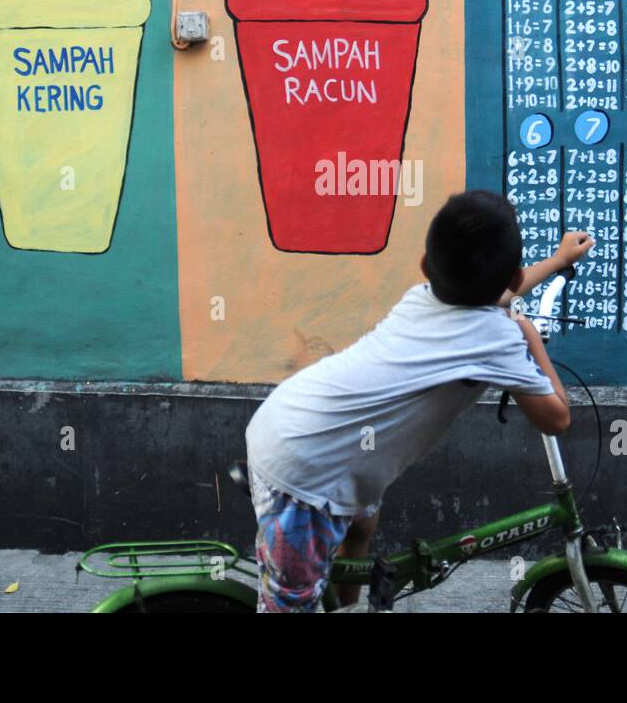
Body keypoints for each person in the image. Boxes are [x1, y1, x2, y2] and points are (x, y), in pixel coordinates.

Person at [244, 189, 592, 612]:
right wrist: (530, 336)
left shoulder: (422, 298)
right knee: (290, 604)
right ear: (514, 277)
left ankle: (347, 606)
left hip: (303, 425)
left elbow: (491, 298)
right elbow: (556, 417)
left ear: (427, 266)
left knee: (361, 527)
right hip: (304, 478)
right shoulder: (497, 339)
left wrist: (557, 262)